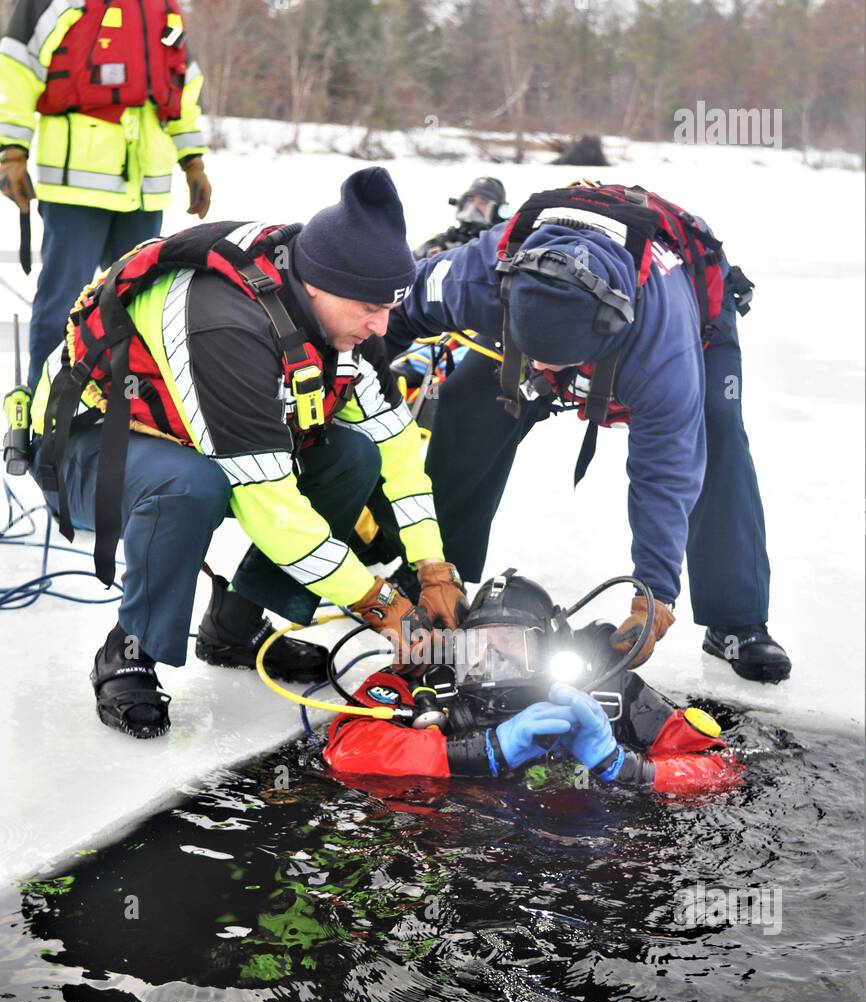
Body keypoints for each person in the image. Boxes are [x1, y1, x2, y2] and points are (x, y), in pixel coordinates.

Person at [26, 167, 465, 739]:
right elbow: (268, 503)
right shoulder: (224, 321)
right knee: (188, 484)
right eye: (369, 309)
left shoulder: (338, 319)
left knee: (353, 456)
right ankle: (129, 651)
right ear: (318, 285)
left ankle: (235, 625)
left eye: (389, 308)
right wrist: (376, 601)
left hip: (200, 441)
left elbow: (398, 447)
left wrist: (431, 564)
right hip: (89, 450)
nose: (382, 327)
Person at [385, 182, 792, 685]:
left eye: (553, 360)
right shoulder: (483, 273)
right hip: (542, 302)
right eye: (534, 354)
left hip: (691, 314)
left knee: (716, 434)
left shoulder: (662, 345)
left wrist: (654, 595)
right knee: (472, 402)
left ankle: (737, 621)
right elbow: (392, 305)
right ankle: (437, 577)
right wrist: (359, 384)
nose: (538, 367)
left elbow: (665, 469)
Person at [324, 571, 742, 793]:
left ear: (549, 645)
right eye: (477, 641)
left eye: (509, 639)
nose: (490, 652)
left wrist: (626, 769)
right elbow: (347, 750)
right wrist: (479, 752)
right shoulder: (431, 681)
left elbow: (719, 767)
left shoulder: (602, 686)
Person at [0, 0, 213, 391]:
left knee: (139, 308)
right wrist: (11, 150)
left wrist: (193, 160)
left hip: (145, 191)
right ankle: (46, 408)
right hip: (77, 188)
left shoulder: (162, 8)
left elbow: (183, 88)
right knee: (63, 306)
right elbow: (14, 69)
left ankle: (126, 408)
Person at [414, 175, 508, 259]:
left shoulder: (499, 247)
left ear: (497, 211)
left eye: (483, 201)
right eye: (470, 199)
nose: (473, 206)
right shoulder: (444, 240)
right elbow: (409, 265)